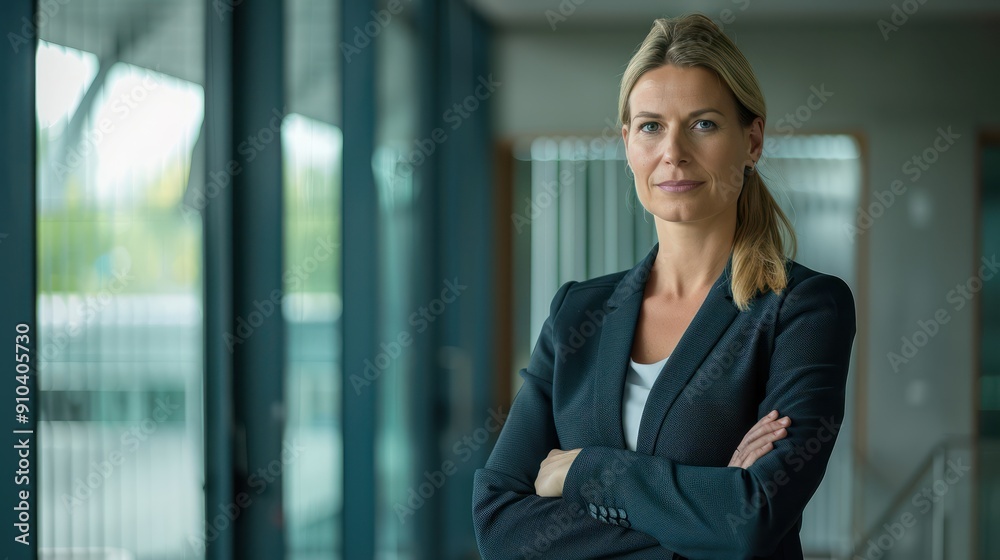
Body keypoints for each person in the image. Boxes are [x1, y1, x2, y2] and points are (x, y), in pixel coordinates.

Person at [472, 12, 857, 560]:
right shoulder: (577, 312)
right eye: (651, 126)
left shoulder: (803, 309)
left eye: (703, 124)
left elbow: (752, 521)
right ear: (628, 142)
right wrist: (703, 506)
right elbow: (499, 525)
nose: (673, 152)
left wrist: (585, 470)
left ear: (752, 141)